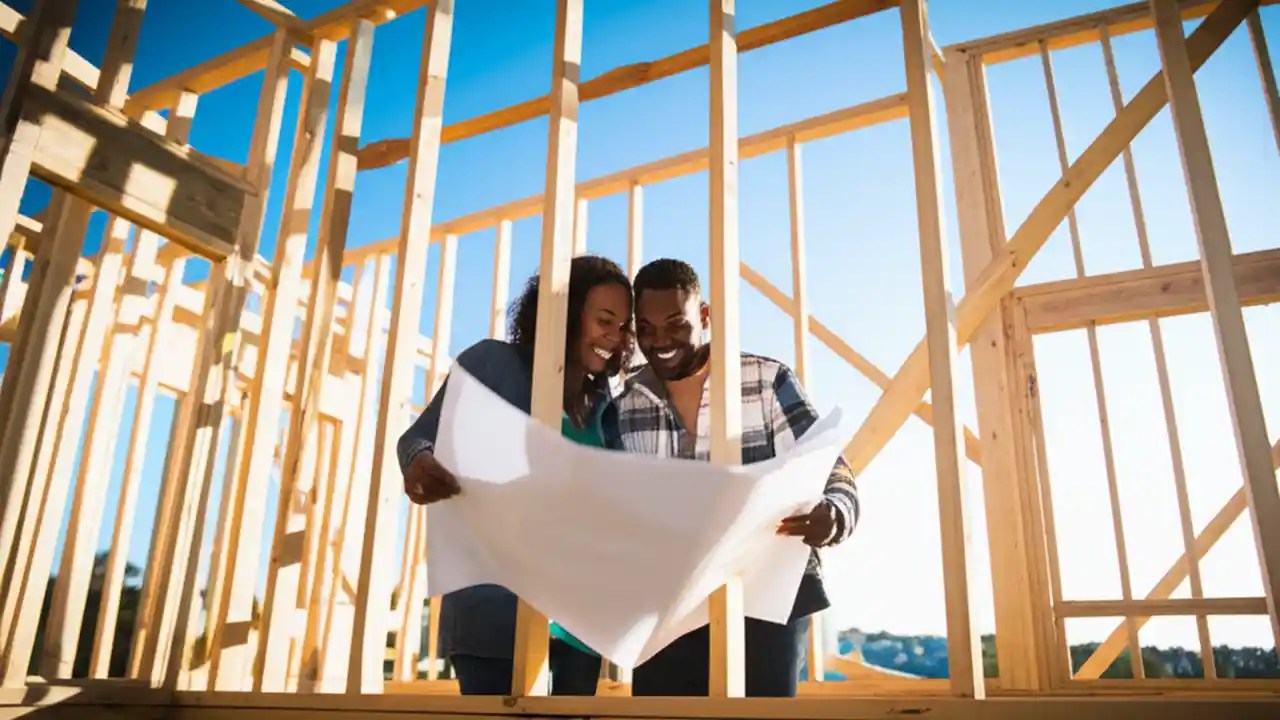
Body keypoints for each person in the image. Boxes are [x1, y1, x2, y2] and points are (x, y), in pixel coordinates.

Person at [602, 257, 860, 697]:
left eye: (675, 325)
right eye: (645, 328)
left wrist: (836, 514)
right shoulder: (624, 404)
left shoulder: (764, 380)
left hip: (766, 598)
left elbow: (830, 468)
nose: (659, 341)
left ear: (704, 317)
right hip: (667, 608)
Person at [397, 254, 635, 696]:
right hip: (496, 609)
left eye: (623, 327)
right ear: (565, 314)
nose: (614, 336)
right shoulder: (492, 364)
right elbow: (417, 438)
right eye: (604, 319)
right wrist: (420, 464)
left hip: (580, 620)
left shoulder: (606, 406)